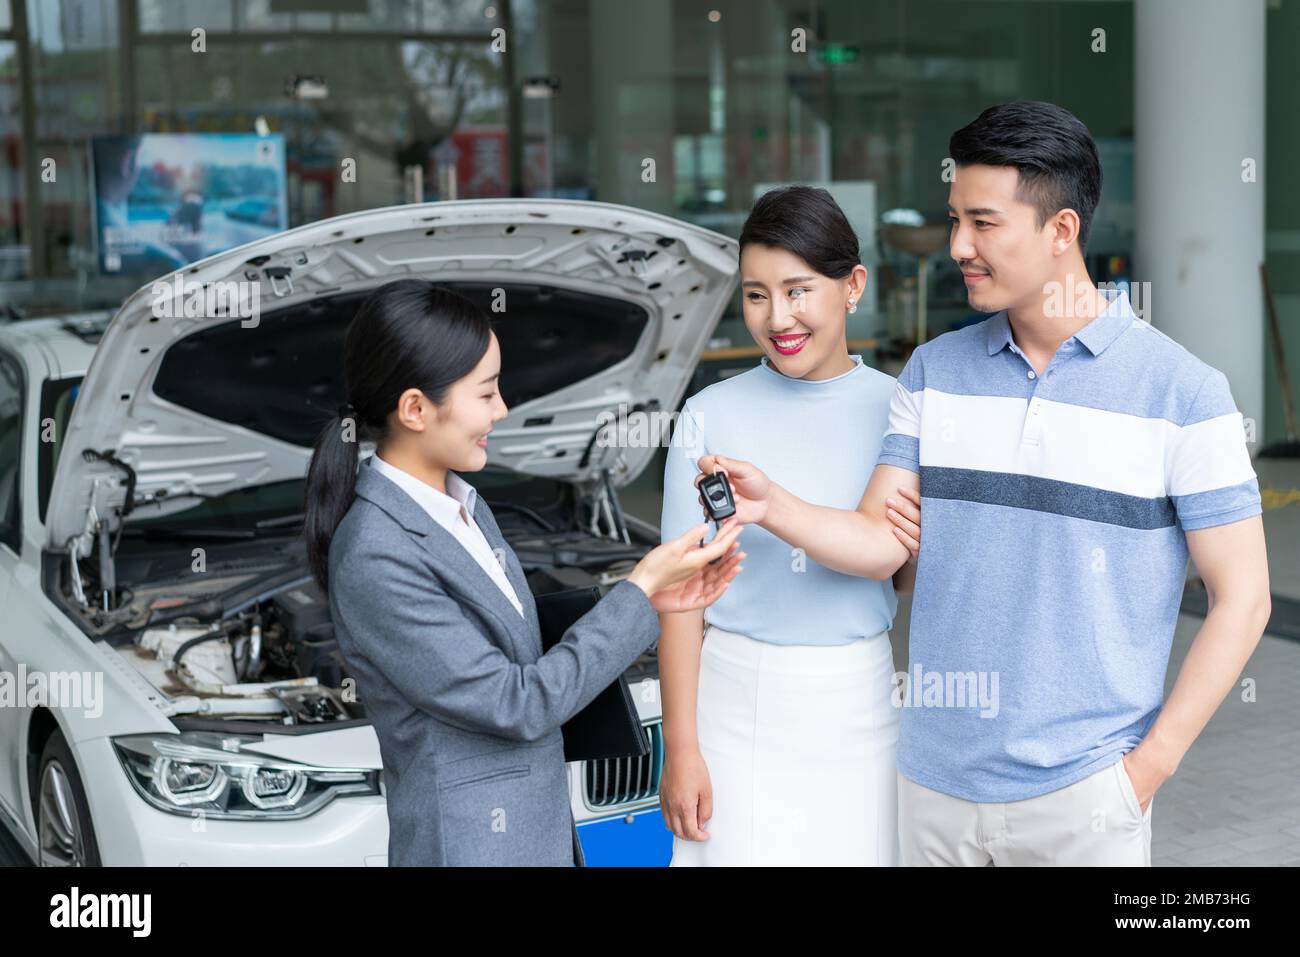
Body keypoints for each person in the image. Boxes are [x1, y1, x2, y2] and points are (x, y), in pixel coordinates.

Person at [695, 101, 1271, 866]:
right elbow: (877, 540)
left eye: (983, 222)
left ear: (1061, 230)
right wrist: (776, 505)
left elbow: (1245, 596)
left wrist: (1143, 771)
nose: (958, 245)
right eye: (954, 218)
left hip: (1084, 797)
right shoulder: (935, 372)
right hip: (933, 789)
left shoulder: (1183, 394)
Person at [303, 279, 745, 866]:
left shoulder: (464, 504)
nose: (503, 409)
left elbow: (511, 640)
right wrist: (636, 592)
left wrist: (653, 602)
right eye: (485, 393)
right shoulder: (374, 553)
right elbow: (515, 703)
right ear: (414, 409)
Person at [658, 185, 921, 866]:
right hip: (736, 703)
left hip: (860, 699)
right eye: (756, 294)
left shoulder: (900, 410)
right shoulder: (707, 415)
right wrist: (681, 748)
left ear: (852, 285)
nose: (779, 317)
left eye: (799, 290)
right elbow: (678, 603)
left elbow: (898, 562)